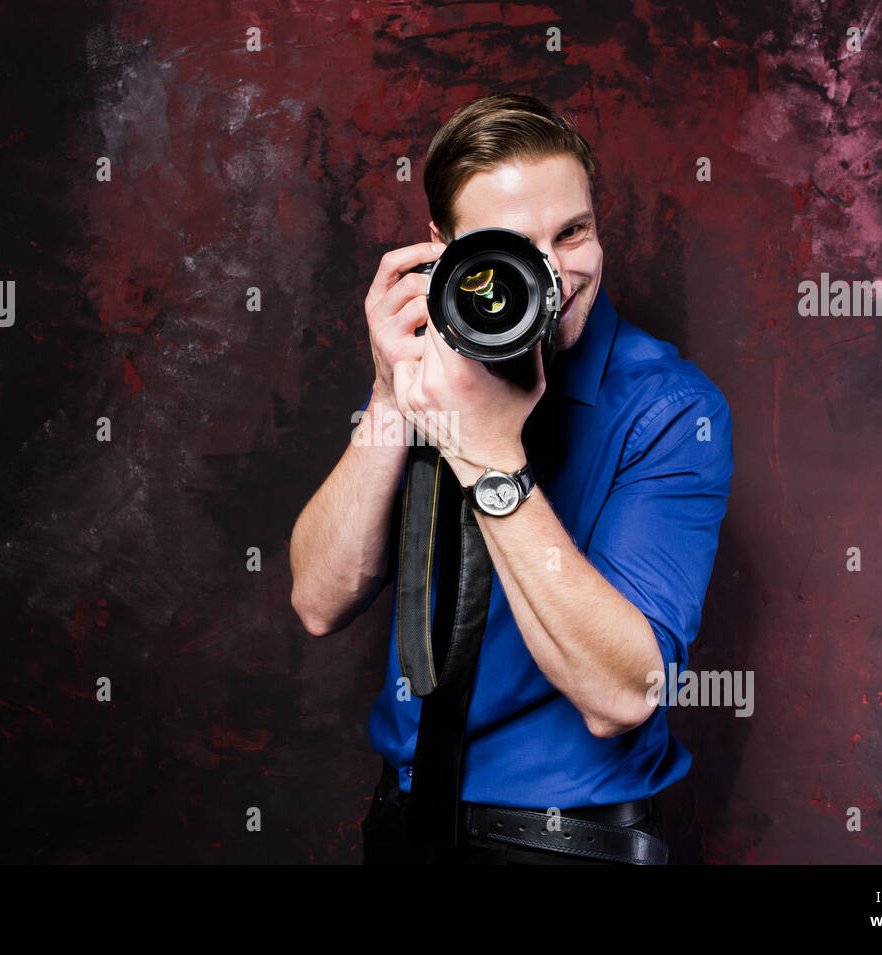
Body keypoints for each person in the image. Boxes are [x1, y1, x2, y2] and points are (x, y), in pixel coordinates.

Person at [289, 92, 733, 864]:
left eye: (574, 232)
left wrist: (491, 456)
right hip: (402, 824)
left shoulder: (671, 409)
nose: (553, 272)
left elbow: (624, 693)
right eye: (511, 245)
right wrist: (392, 400)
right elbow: (318, 600)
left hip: (566, 842)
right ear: (443, 251)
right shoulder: (428, 376)